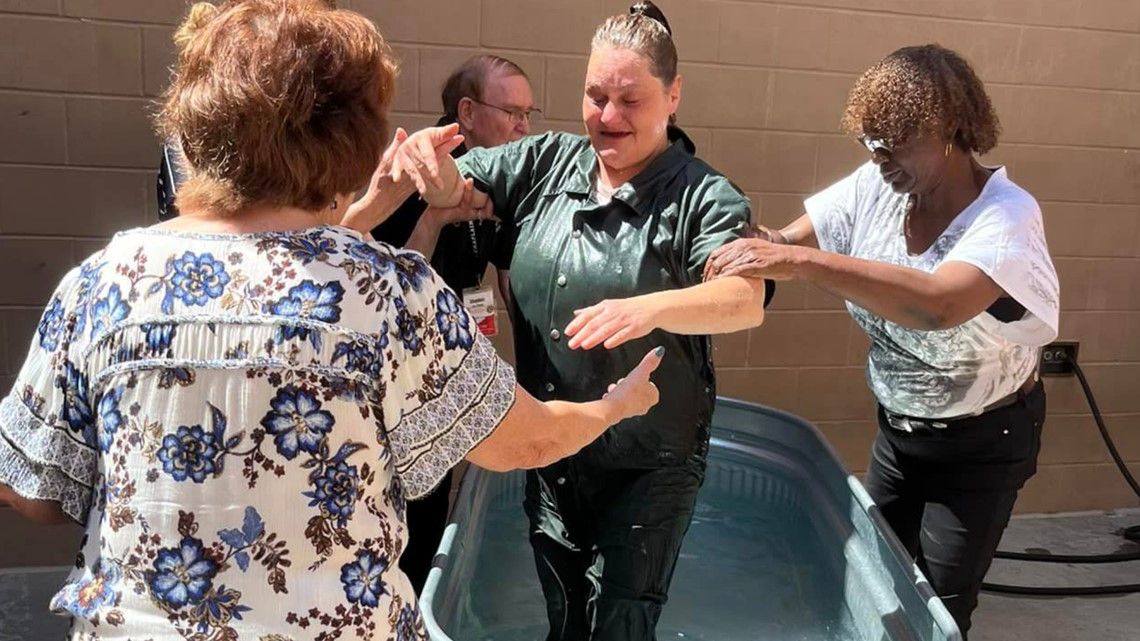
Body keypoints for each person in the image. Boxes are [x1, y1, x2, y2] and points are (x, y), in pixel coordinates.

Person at [0, 2, 665, 640]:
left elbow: (28, 488)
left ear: (194, 119)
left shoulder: (101, 283)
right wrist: (614, 405)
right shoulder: (387, 292)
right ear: (350, 135)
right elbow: (524, 441)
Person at [387, 3, 769, 639]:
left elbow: (744, 298)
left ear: (673, 96)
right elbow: (461, 186)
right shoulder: (547, 164)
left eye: (630, 99)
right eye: (596, 96)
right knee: (564, 613)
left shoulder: (704, 196)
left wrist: (645, 307)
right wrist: (435, 163)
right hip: (557, 447)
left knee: (621, 621)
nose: (609, 116)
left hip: (650, 462)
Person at [704, 44, 1060, 639]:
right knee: (878, 585)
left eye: (895, 141)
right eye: (869, 141)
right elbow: (780, 241)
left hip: (982, 442)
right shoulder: (879, 184)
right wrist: (713, 214)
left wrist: (801, 260)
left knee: (939, 616)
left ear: (949, 129)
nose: (878, 157)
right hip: (900, 433)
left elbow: (937, 303)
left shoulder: (1006, 218)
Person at [370, 53, 539, 595]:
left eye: (528, 114)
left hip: (443, 380)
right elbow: (381, 285)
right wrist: (434, 217)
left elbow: (509, 282)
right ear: (466, 112)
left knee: (432, 513)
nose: (524, 126)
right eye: (512, 111)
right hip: (391, 380)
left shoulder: (501, 183)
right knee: (399, 516)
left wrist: (539, 368)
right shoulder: (411, 174)